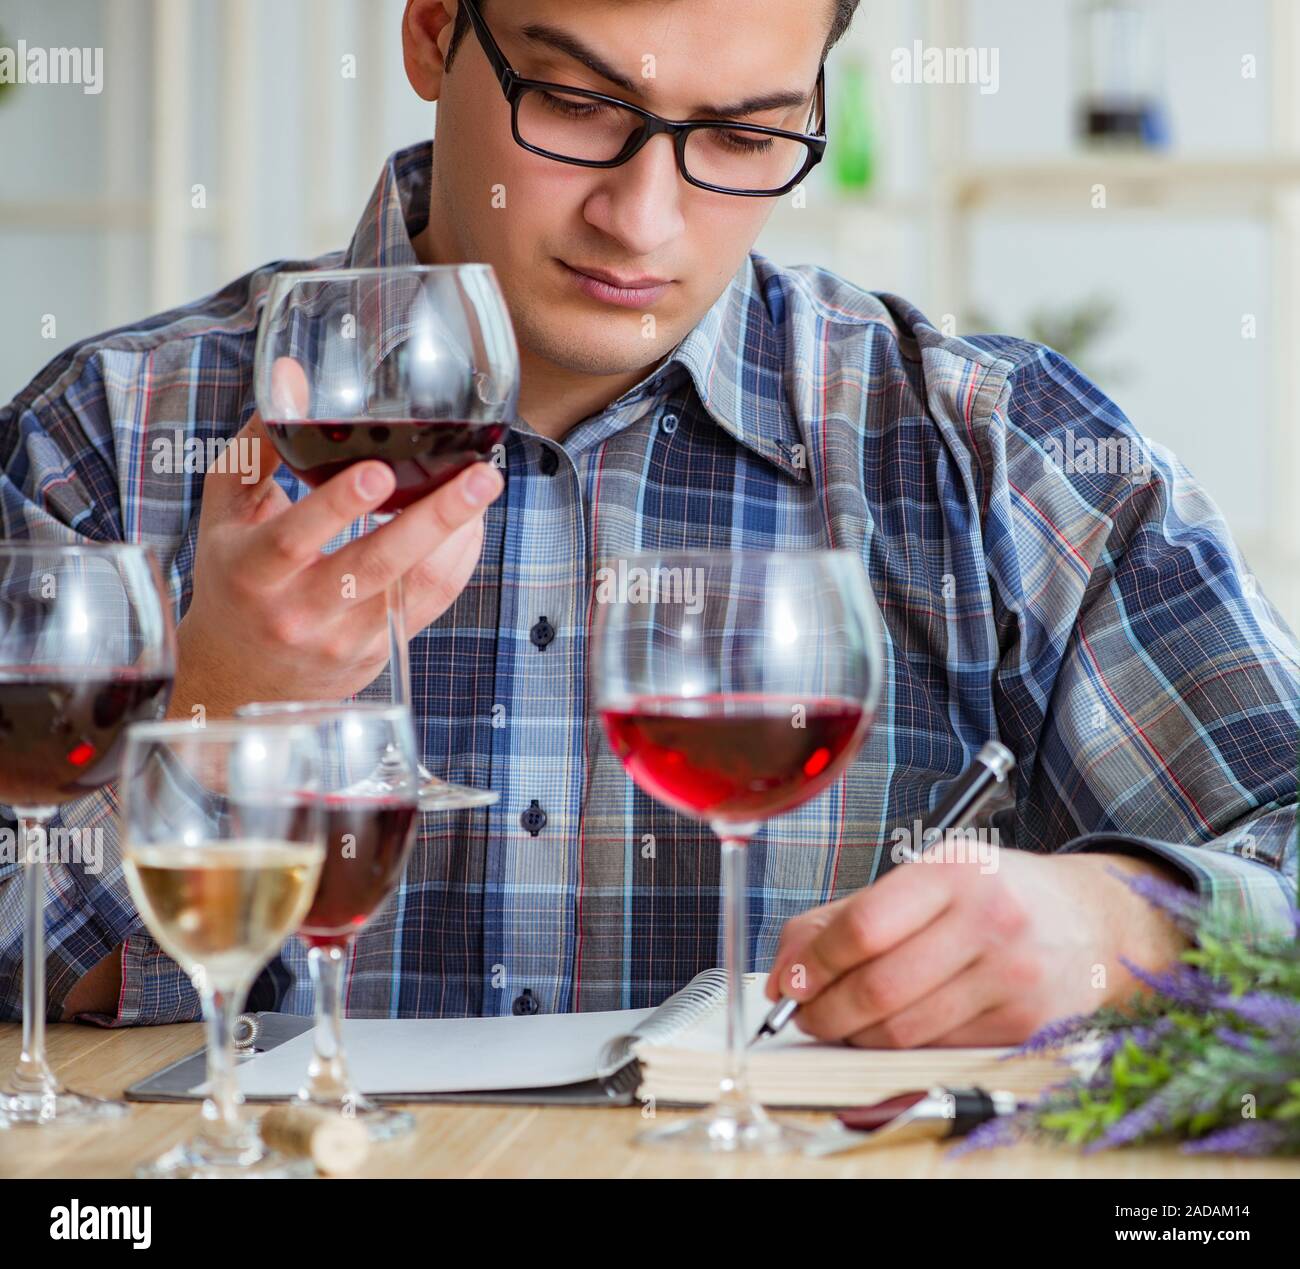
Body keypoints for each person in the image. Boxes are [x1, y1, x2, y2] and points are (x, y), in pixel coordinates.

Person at [1, 0, 1296, 1048]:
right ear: (433, 30)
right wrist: (213, 713)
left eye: (743, 136)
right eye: (575, 102)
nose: (643, 217)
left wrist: (1128, 930)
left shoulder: (999, 456)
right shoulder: (106, 440)